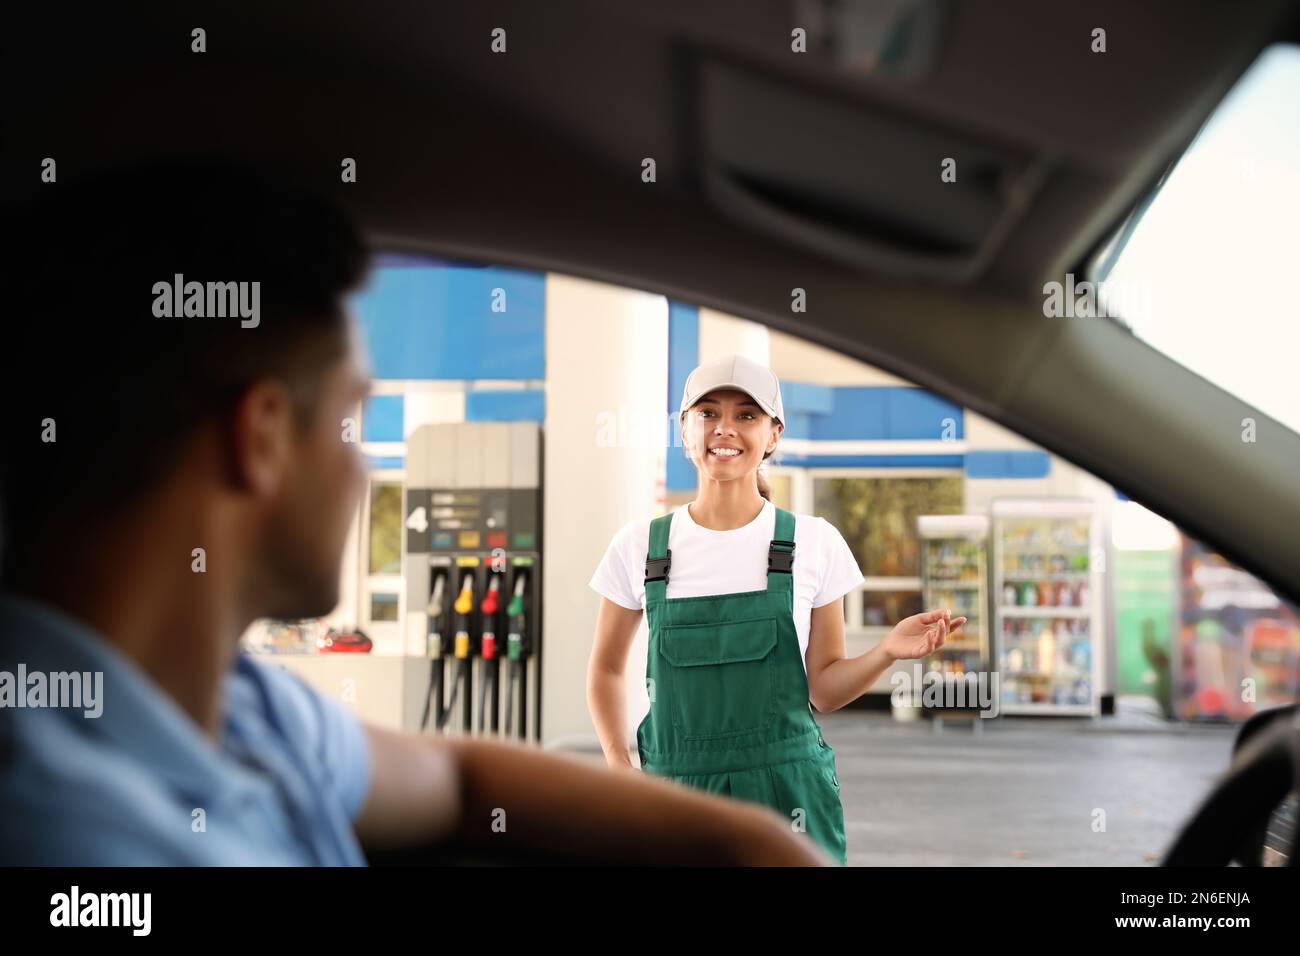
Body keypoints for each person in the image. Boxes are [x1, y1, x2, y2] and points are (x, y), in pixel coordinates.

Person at [0, 159, 828, 866]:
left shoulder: (248, 710)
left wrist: (755, 846)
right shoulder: (71, 827)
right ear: (260, 437)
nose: (363, 468)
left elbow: (462, 776)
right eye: (351, 418)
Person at [587, 354, 966, 864]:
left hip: (789, 794)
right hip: (673, 793)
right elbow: (606, 669)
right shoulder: (641, 547)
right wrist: (618, 767)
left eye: (747, 415)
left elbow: (824, 690)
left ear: (773, 435)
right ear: (684, 430)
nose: (725, 428)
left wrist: (886, 652)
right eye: (707, 413)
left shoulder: (812, 542)